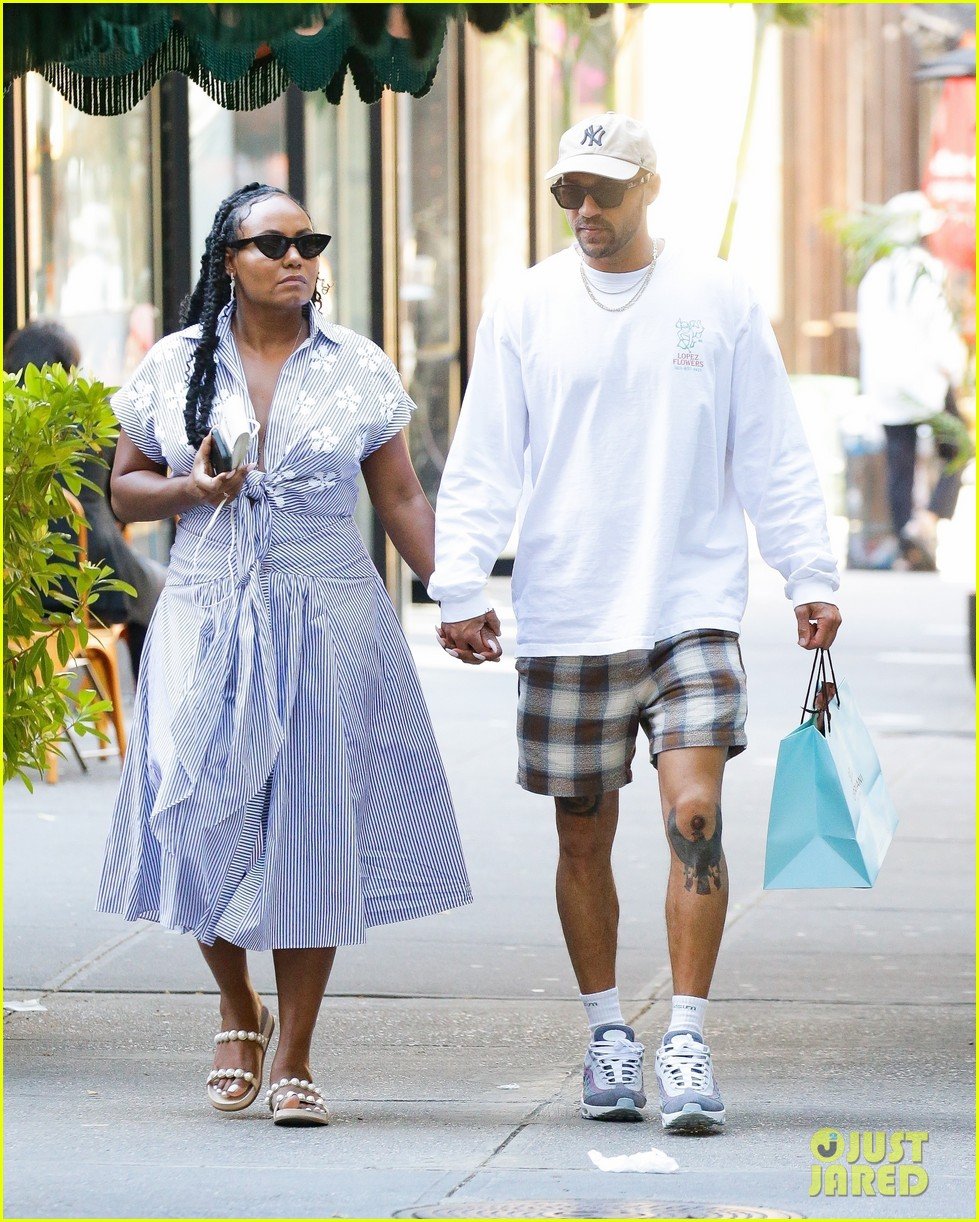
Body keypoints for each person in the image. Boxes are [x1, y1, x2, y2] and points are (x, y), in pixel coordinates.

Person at [430, 113, 841, 1133]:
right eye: (570, 190)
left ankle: (688, 1033)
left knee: (691, 813)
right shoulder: (524, 304)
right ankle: (608, 1028)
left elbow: (772, 449)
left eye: (604, 191)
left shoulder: (719, 299)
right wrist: (460, 581)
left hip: (689, 604)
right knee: (583, 834)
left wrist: (807, 571)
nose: (585, 210)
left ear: (649, 188)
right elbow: (484, 455)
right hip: (568, 608)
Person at [96, 183, 471, 1126]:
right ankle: (237, 1005)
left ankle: (297, 1049)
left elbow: (399, 499)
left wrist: (456, 598)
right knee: (194, 820)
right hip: (207, 620)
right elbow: (125, 494)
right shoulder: (175, 363)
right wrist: (193, 487)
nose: (296, 256)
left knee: (310, 834)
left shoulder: (358, 366)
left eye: (309, 241)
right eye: (273, 243)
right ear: (229, 260)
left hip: (326, 621)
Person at [3, 319, 166, 676]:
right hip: (94, 583)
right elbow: (122, 502)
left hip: (18, 596)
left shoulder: (8, 423)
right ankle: (144, 715)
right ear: (67, 369)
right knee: (165, 589)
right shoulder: (94, 418)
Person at [856, 192, 968, 571]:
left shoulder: (874, 275)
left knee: (899, 464)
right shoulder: (927, 270)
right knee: (959, 448)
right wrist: (953, 366)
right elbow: (938, 328)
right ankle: (928, 519)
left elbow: (866, 335)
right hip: (926, 382)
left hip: (887, 386)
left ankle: (908, 541)